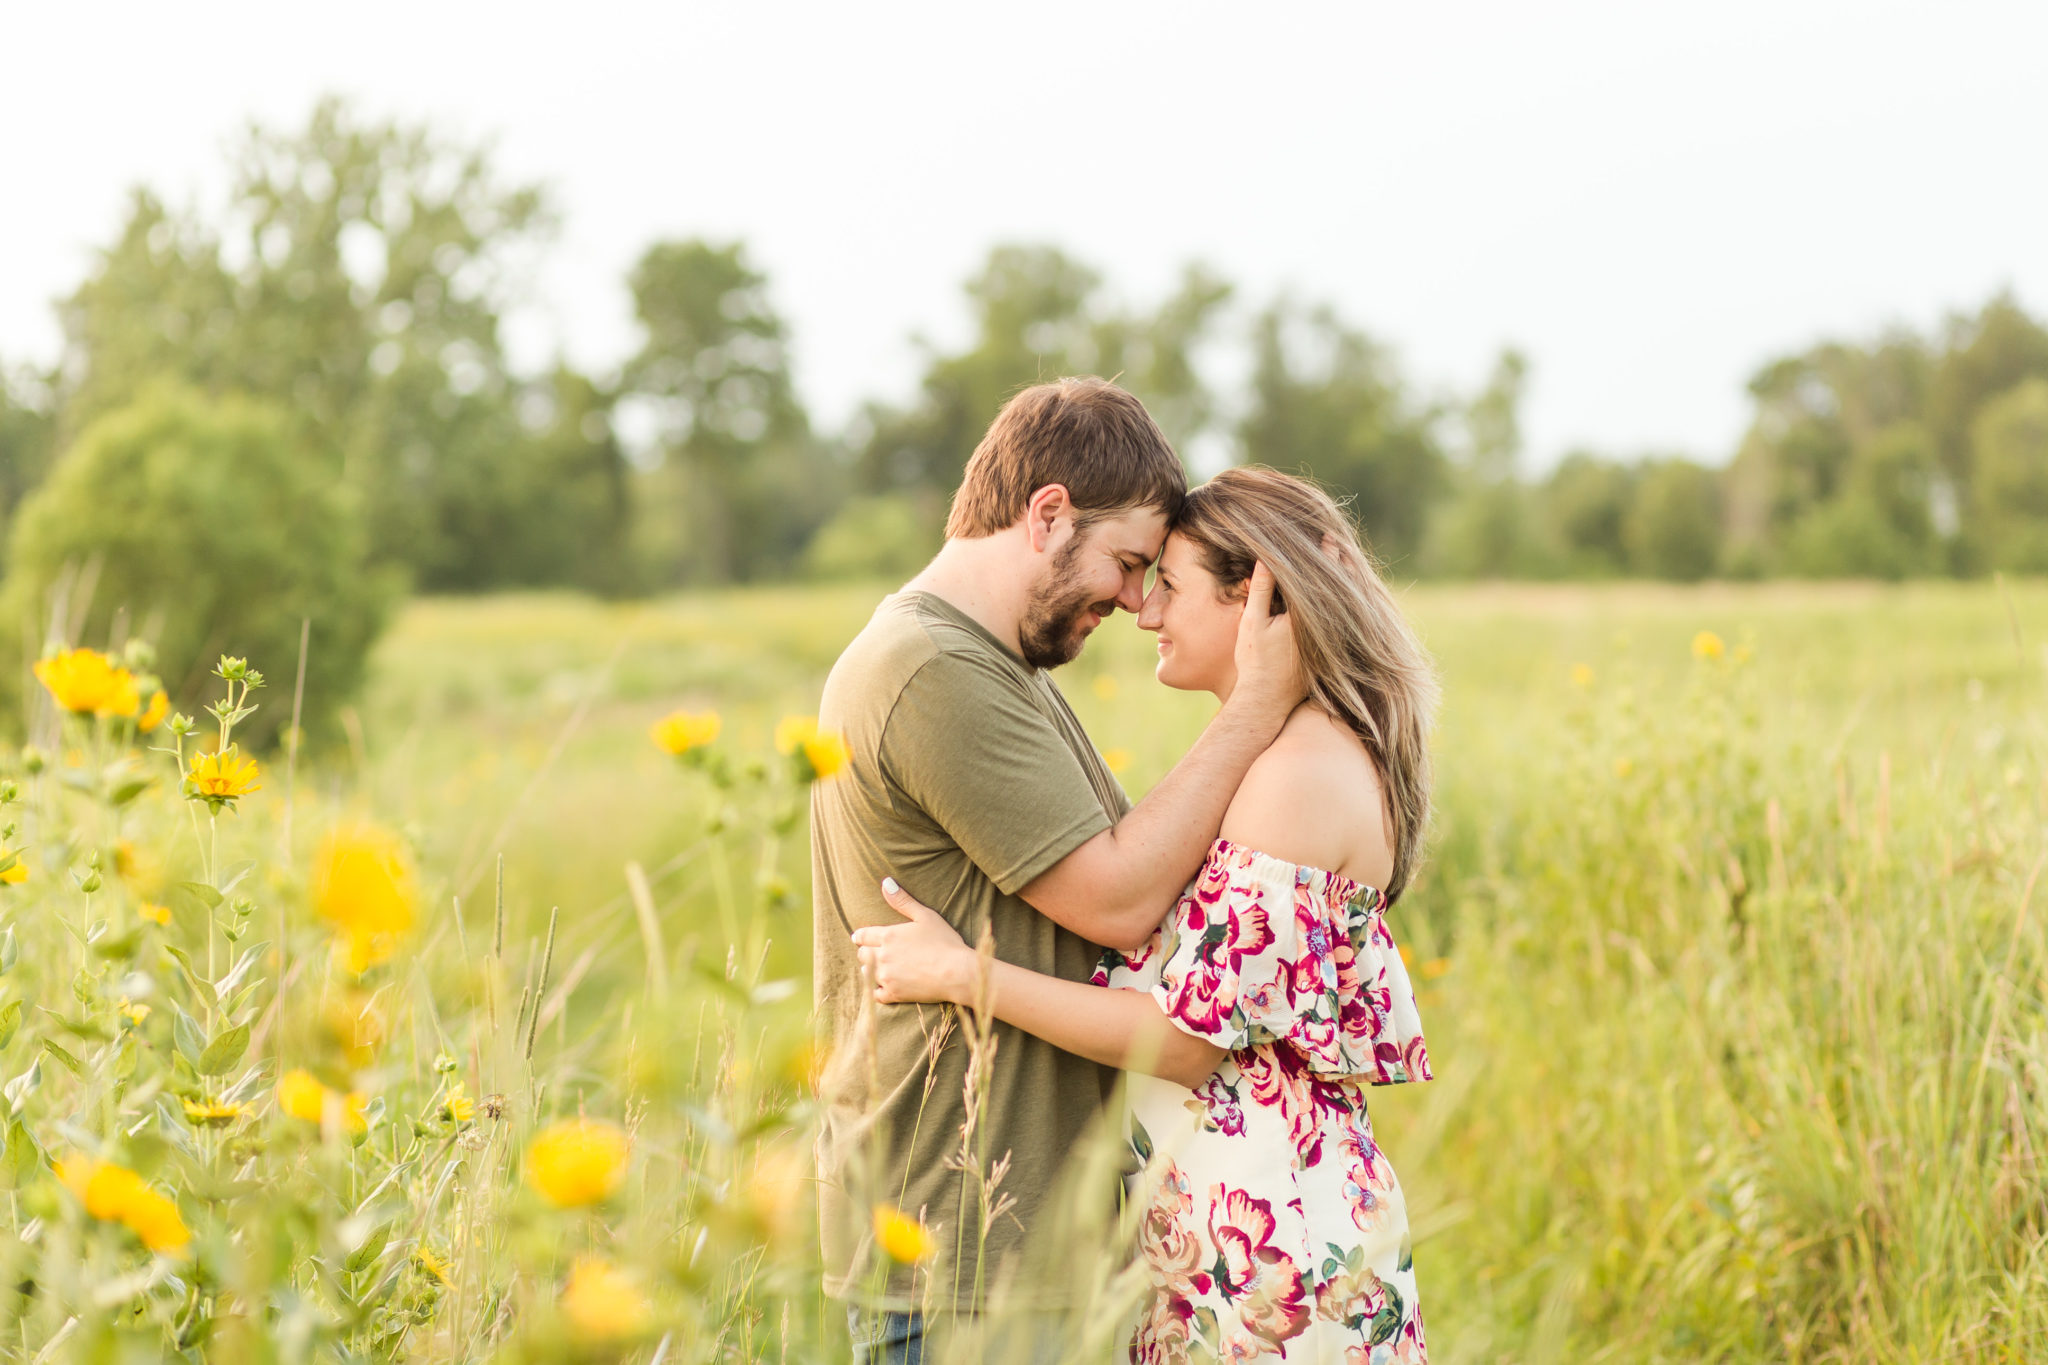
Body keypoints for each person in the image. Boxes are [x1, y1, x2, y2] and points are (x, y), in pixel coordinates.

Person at [854, 466, 1440, 1363]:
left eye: (1168, 582)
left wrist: (963, 975)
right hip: (1223, 1237)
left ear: (1260, 600)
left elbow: (1185, 1041)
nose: (1146, 610)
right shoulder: (1286, 759)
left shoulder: (1296, 778)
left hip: (1267, 1251)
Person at [810, 380, 1305, 1362]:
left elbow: (1145, 891)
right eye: (1126, 562)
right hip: (961, 1259)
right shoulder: (931, 670)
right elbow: (1120, 901)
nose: (1131, 601)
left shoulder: (995, 667)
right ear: (1046, 514)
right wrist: (1254, 708)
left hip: (1015, 1258)